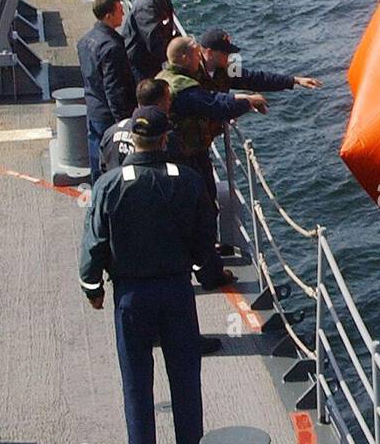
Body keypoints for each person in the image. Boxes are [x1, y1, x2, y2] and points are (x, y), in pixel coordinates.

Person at [78, 106, 215, 444]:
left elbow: (95, 242)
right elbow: (206, 233)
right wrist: (200, 265)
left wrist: (92, 287)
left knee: (136, 374)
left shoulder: (109, 184)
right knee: (185, 370)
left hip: (131, 295)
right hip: (177, 291)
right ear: (165, 137)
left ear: (131, 140)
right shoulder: (186, 180)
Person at [157, 36, 267, 289]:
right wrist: (248, 101)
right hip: (187, 158)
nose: (200, 60)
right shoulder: (184, 88)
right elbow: (214, 104)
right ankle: (210, 273)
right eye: (196, 56)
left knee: (183, 215)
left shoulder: (164, 78)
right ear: (185, 58)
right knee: (203, 214)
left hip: (174, 155)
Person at [78, 0, 136, 180]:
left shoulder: (85, 41)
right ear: (109, 16)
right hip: (108, 115)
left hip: (93, 106)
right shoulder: (112, 47)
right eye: (119, 10)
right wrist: (124, 122)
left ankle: (98, 194)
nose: (123, 13)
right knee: (114, 163)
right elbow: (114, 88)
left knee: (96, 158)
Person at [197, 27, 322, 94]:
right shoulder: (191, 72)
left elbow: (255, 79)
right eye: (226, 53)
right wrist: (244, 102)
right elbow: (207, 103)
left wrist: (294, 80)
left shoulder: (226, 69)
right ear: (210, 53)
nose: (230, 56)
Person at [122, 0, 181, 81]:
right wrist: (178, 56)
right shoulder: (146, 7)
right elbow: (154, 42)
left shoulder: (163, 0)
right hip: (140, 65)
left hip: (151, 62)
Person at [99, 78, 171, 175]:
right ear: (160, 104)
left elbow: (103, 167)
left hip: (116, 185)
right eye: (168, 99)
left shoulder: (111, 132)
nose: (170, 103)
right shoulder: (164, 137)